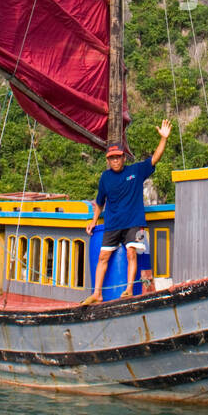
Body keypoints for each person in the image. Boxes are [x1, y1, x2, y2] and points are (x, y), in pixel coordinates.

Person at [79, 120, 172, 305]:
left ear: (123, 158)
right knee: (103, 257)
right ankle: (97, 293)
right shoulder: (105, 177)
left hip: (134, 223)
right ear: (108, 159)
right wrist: (93, 220)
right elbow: (99, 201)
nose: (115, 160)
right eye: (112, 158)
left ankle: (129, 289)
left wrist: (163, 138)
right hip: (112, 224)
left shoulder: (136, 171)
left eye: (118, 157)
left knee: (131, 253)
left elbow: (155, 158)